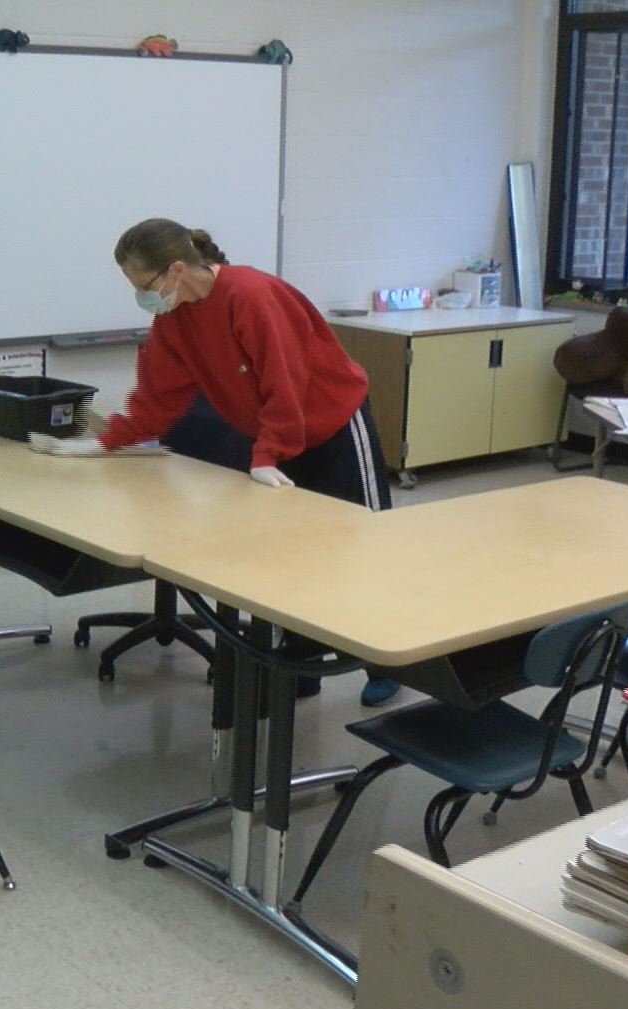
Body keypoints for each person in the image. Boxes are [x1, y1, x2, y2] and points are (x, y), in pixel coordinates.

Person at [34, 218, 400, 705]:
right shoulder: (172, 321)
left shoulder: (252, 296)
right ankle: (303, 666)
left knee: (365, 542)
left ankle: (391, 662)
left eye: (146, 285)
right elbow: (157, 400)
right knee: (293, 553)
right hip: (275, 435)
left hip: (332, 424)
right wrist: (106, 441)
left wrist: (267, 454)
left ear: (178, 269)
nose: (144, 297)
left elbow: (285, 380)